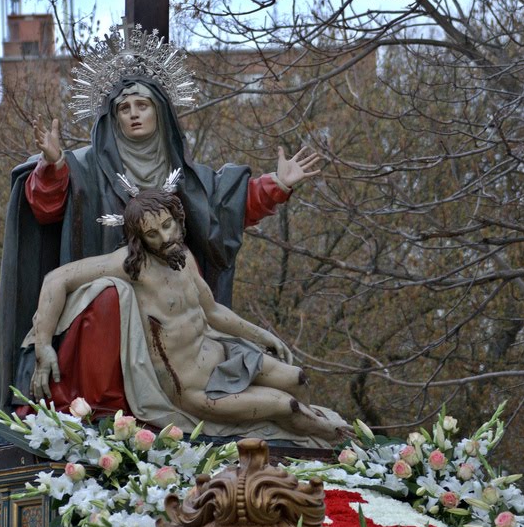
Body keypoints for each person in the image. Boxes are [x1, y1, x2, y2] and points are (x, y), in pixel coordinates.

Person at [0, 26, 322, 417]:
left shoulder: (181, 173)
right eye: (124, 108)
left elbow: (222, 209)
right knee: (113, 294)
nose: (133, 114)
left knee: (274, 381)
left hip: (171, 310)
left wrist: (277, 185)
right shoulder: (85, 167)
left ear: (159, 111)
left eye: (142, 105)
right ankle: (101, 407)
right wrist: (52, 165)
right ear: (113, 117)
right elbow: (46, 209)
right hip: (103, 298)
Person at [26, 189, 349, 446]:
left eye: (168, 225)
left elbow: (212, 312)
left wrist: (262, 335)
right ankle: (336, 442)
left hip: (225, 356)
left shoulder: (183, 257)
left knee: (298, 380)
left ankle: (311, 437)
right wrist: (44, 346)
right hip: (197, 389)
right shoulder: (133, 265)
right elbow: (57, 279)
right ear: (140, 238)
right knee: (285, 406)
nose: (165, 238)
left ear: (178, 219)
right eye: (152, 234)